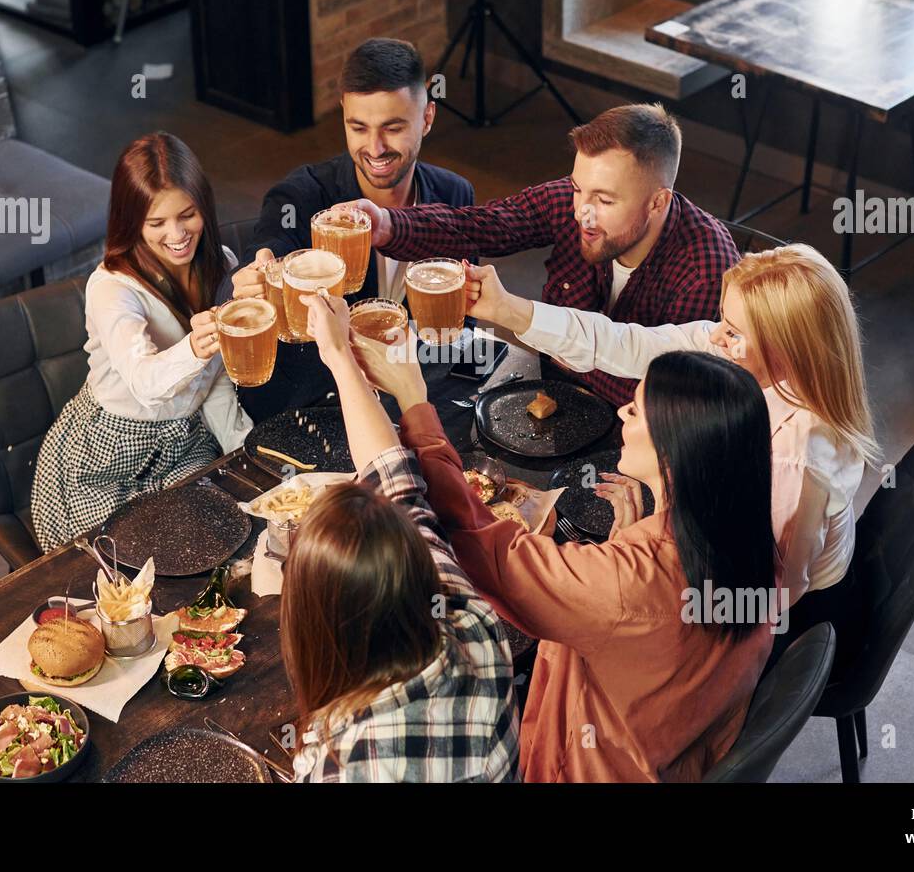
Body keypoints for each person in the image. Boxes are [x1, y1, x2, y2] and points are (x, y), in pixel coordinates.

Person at [321, 296, 778, 782]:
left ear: (675, 452)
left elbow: (484, 547)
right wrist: (625, 546)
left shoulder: (628, 583)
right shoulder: (750, 544)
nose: (622, 411)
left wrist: (414, 401)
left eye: (637, 411)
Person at [462, 242, 878, 610]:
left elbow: (777, 592)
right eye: (721, 319)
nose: (714, 337)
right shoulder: (742, 357)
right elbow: (624, 342)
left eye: (732, 331)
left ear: (785, 352)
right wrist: (505, 309)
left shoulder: (793, 457)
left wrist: (652, 549)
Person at [334, 102, 740, 407]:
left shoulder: (707, 268)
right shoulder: (575, 203)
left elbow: (669, 398)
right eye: (578, 188)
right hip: (549, 392)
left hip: (638, 434)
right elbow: (484, 225)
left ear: (658, 202)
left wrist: (548, 339)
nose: (582, 213)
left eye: (605, 200)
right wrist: (389, 224)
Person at [281, 291, 521, 782]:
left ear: (316, 625)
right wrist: (339, 357)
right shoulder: (474, 625)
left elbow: (398, 489)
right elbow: (397, 484)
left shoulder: (342, 764)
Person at [231, 37, 475, 421]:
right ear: (343, 114)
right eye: (358, 128)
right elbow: (270, 242)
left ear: (427, 118)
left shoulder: (455, 193)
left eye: (393, 128)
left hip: (416, 394)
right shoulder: (301, 194)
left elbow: (460, 323)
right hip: (317, 408)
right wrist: (258, 268)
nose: (375, 148)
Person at [31, 133, 251, 553]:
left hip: (185, 441)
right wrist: (195, 347)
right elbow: (144, 382)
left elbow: (215, 382)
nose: (177, 234)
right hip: (106, 455)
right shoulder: (112, 288)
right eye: (157, 223)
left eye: (188, 215)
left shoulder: (222, 265)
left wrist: (246, 450)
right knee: (125, 563)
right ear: (132, 222)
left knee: (214, 538)